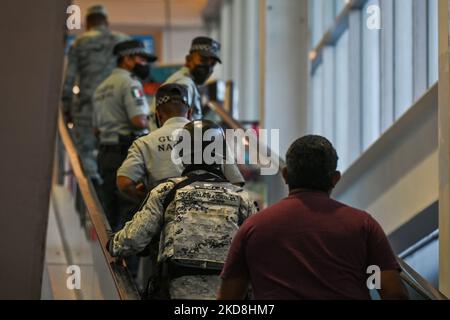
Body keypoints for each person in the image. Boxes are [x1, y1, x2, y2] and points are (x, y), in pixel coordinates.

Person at [218, 135, 409, 300]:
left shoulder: (253, 227)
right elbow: (394, 293)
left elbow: (228, 298)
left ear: (285, 175)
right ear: (335, 178)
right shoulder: (363, 225)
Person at [107, 120, 257, 300]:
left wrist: (113, 243)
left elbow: (133, 240)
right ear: (222, 155)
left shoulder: (166, 191)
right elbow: (260, 250)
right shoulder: (242, 197)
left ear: (181, 154)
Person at [117, 84, 244, 203]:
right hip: (212, 217)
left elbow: (124, 182)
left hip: (166, 220)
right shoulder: (212, 135)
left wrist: (148, 200)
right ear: (189, 112)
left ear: (158, 116)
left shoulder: (144, 143)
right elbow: (236, 182)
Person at [93, 39, 157, 231]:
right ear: (127, 59)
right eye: (141, 59)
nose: (144, 64)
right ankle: (129, 260)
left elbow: (95, 129)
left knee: (111, 215)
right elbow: (139, 120)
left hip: (105, 154)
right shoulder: (130, 83)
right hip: (126, 153)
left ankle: (112, 258)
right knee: (131, 214)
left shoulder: (101, 87)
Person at [62, 5, 129, 184]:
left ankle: (93, 186)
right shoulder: (123, 40)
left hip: (87, 105)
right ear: (106, 22)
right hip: (118, 106)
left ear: (87, 23)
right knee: (118, 149)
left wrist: (66, 107)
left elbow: (69, 78)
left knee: (86, 150)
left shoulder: (79, 43)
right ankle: (116, 186)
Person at [148, 36, 222, 132]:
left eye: (212, 64)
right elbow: (177, 127)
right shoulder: (184, 84)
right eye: (203, 60)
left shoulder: (186, 81)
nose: (208, 67)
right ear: (189, 59)